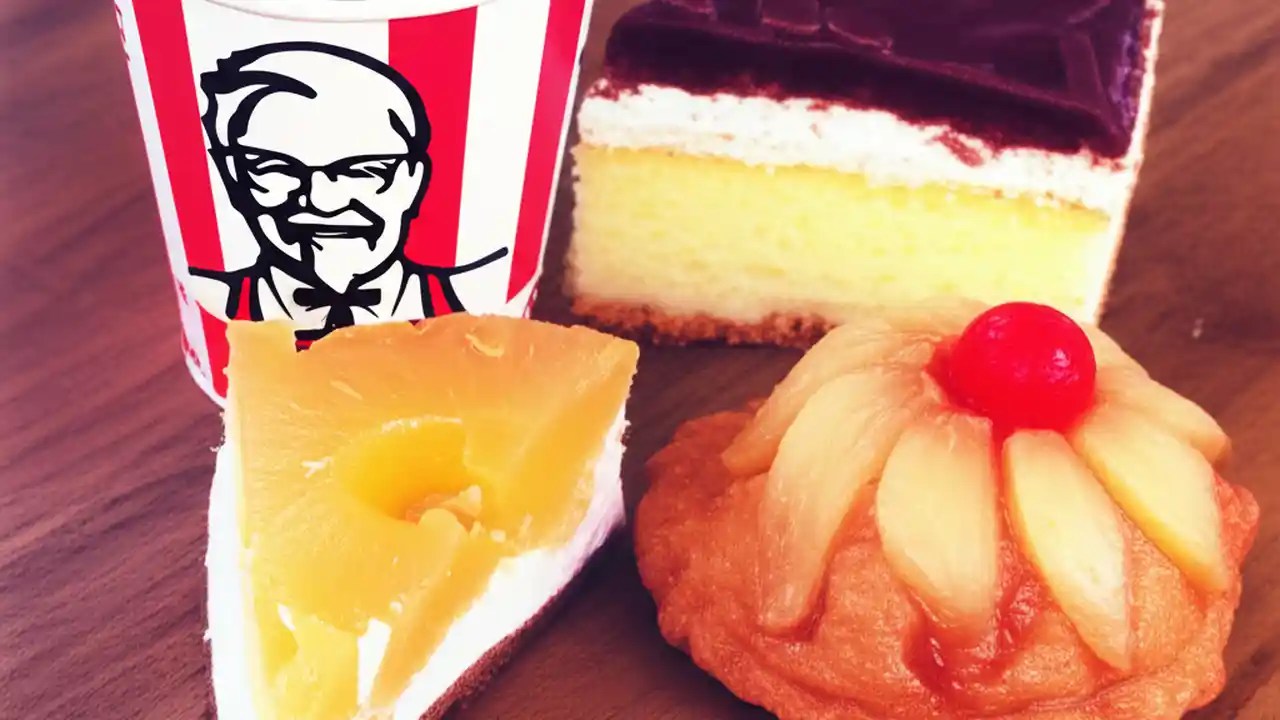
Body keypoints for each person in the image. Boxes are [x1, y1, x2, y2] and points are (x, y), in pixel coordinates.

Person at [188, 42, 506, 343]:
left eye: (364, 170)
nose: (322, 201)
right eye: (277, 168)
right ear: (232, 176)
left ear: (413, 179)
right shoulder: (208, 302)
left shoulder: (481, 299)